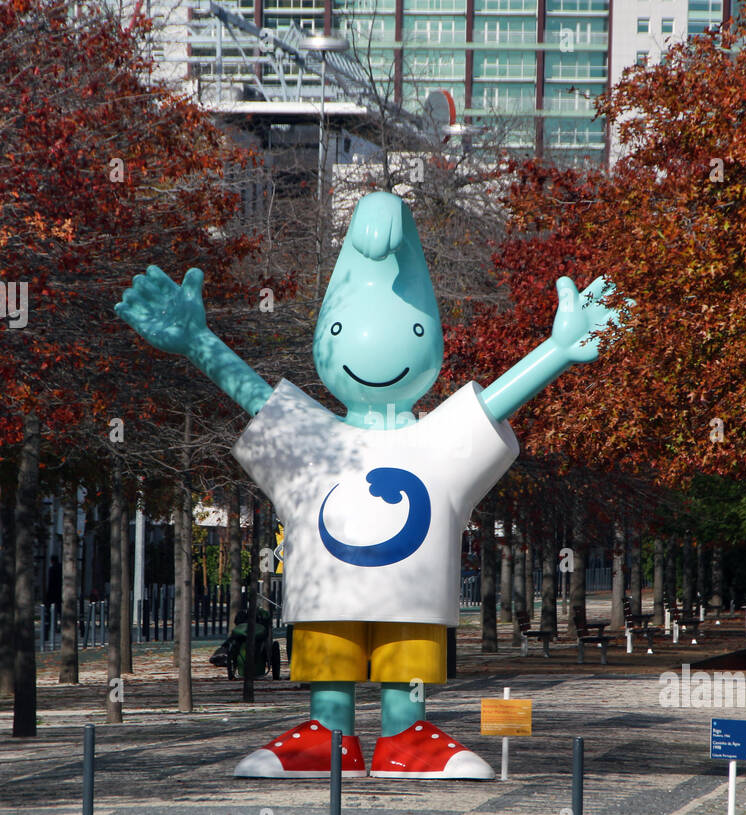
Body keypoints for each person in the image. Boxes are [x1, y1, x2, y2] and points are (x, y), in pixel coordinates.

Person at [116, 190, 618, 779]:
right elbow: (254, 396)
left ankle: (407, 734)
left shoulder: (433, 441)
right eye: (337, 327)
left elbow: (490, 405)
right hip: (328, 589)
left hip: (413, 591)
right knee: (331, 642)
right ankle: (328, 732)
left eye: (411, 326)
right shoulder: (314, 438)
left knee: (408, 640)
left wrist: (557, 352)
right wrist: (199, 343)